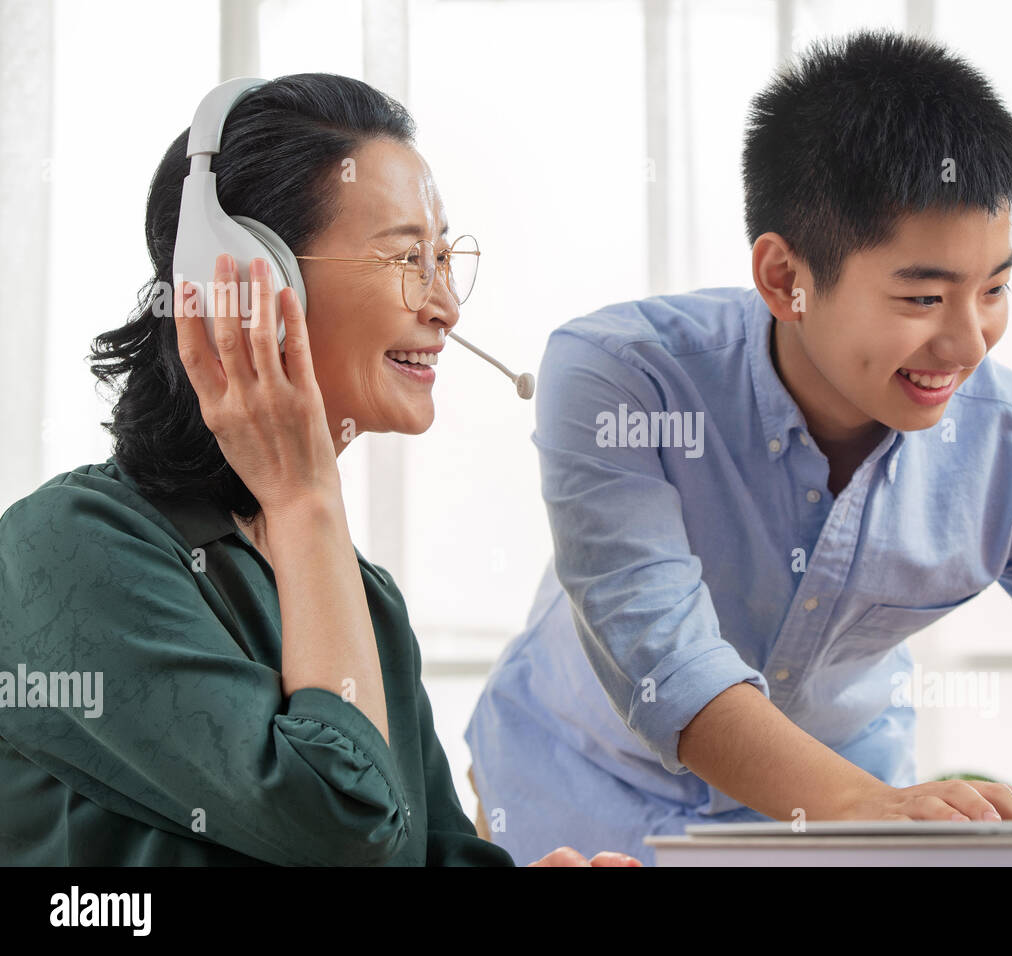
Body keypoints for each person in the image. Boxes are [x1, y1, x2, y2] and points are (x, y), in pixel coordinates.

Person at [465, 29, 1012, 865]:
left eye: (996, 289)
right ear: (784, 279)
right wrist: (864, 809)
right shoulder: (620, 376)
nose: (970, 343)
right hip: (578, 792)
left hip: (849, 809)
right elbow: (669, 665)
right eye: (925, 296)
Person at [0, 73, 638, 867]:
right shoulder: (68, 550)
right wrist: (305, 499)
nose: (445, 304)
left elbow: (420, 852)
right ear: (250, 281)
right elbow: (344, 833)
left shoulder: (359, 596)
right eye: (408, 257)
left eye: (444, 257)